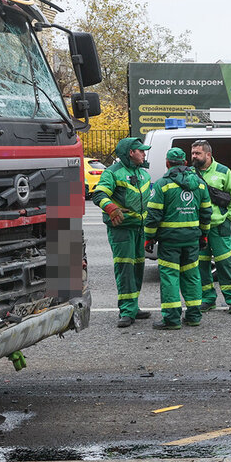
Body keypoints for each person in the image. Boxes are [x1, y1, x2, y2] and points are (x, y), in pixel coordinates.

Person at [143, 148, 212, 330]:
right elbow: (206, 213)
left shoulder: (162, 185)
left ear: (167, 163)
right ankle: (194, 316)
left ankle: (172, 319)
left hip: (170, 242)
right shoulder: (200, 184)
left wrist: (149, 238)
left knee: (170, 277)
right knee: (192, 276)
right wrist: (204, 234)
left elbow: (153, 215)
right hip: (191, 240)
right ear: (186, 163)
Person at [91, 137, 154, 328]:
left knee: (137, 269)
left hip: (139, 228)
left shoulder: (144, 174)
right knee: (125, 269)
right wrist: (111, 208)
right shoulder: (113, 173)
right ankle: (126, 311)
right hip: (122, 230)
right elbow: (99, 194)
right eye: (140, 150)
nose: (144, 153)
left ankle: (133, 306)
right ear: (130, 153)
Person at [191, 140, 231, 313]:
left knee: (225, 263)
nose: (193, 156)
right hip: (198, 227)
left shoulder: (223, 171)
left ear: (208, 155)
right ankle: (207, 299)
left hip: (219, 225)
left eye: (197, 153)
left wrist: (229, 217)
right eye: (192, 153)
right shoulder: (191, 173)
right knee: (202, 265)